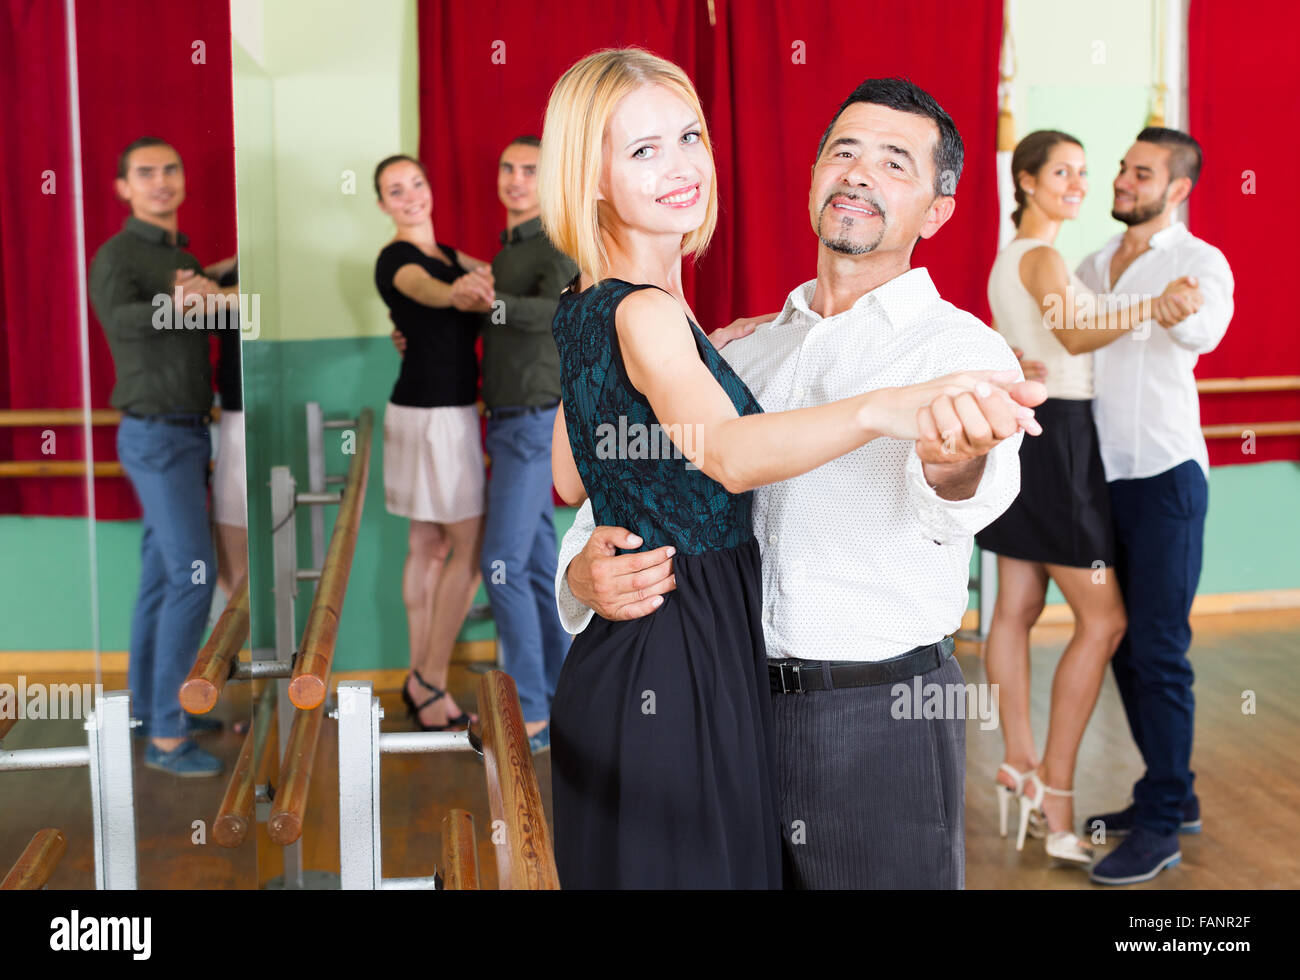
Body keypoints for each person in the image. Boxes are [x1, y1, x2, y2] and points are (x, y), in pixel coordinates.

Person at [545, 57, 1045, 889]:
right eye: (844, 150)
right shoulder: (742, 344)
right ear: (814, 176)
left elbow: (969, 494)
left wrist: (958, 456)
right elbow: (595, 485)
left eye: (896, 162)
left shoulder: (958, 353)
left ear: (940, 209)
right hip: (721, 700)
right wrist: (581, 574)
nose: (861, 173)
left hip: (871, 719)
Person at [975, 131, 1199, 867]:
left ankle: (1018, 762)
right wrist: (1152, 306)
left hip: (1027, 438)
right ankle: (1057, 795)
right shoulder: (1043, 257)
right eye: (1061, 172)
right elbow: (1071, 335)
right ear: (1027, 181)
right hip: (1063, 444)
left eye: (1083, 172)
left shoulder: (1017, 257)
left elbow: (1037, 336)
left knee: (1015, 607)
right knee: (1104, 621)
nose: (1079, 183)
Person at [1073, 129, 1233, 886]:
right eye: (1123, 167)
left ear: (1177, 189)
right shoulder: (1091, 263)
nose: (1123, 178)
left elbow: (1205, 329)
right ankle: (1173, 790)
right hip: (1104, 481)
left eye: (1142, 172)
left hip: (1167, 478)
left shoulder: (1200, 263)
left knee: (1160, 650)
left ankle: (1163, 820)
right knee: (1123, 647)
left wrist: (1171, 309)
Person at [89, 137, 231, 776]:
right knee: (192, 575)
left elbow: (199, 296)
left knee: (160, 578)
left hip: (180, 434)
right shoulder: (120, 254)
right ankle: (168, 736)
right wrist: (185, 298)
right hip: (156, 436)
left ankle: (152, 708)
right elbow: (119, 319)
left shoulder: (179, 254)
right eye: (145, 173)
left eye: (170, 169)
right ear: (123, 188)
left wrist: (214, 279)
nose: (160, 181)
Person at [373, 154, 493, 731]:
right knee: (465, 550)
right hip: (432, 417)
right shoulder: (397, 258)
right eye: (395, 191)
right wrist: (465, 293)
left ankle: (419, 678)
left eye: (416, 183)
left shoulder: (455, 258)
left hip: (437, 411)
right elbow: (430, 292)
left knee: (427, 543)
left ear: (429, 187)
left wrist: (480, 285)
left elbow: (493, 280)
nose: (410, 196)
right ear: (383, 205)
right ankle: (431, 678)